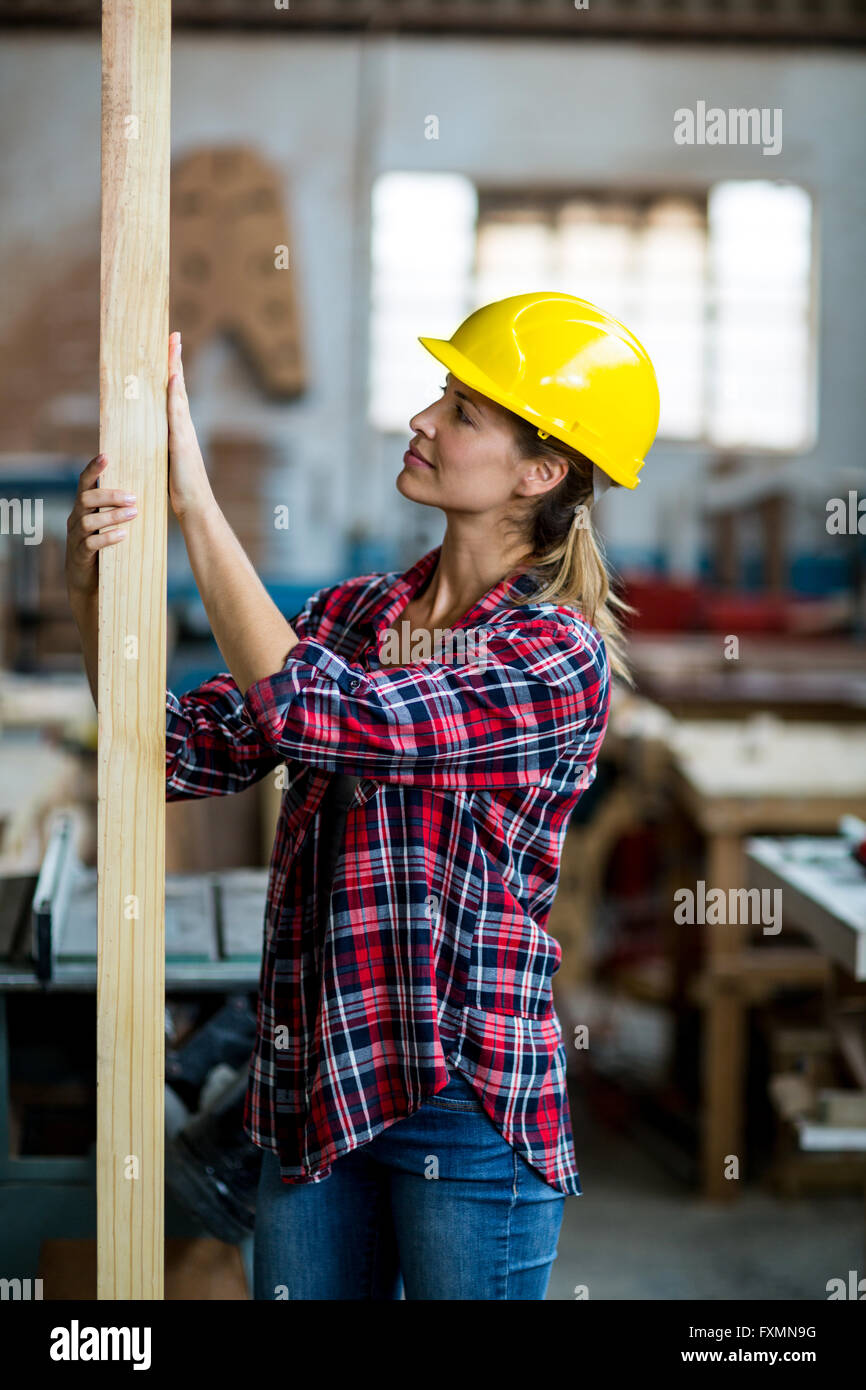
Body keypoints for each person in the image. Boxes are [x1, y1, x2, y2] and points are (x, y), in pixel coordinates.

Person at [66, 290, 659, 1300]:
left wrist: (194, 504)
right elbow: (171, 751)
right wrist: (92, 585)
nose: (424, 419)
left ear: (540, 470)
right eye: (440, 394)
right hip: (318, 1082)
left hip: (465, 1098)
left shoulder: (553, 658)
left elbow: (317, 714)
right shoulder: (358, 611)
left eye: (463, 411)